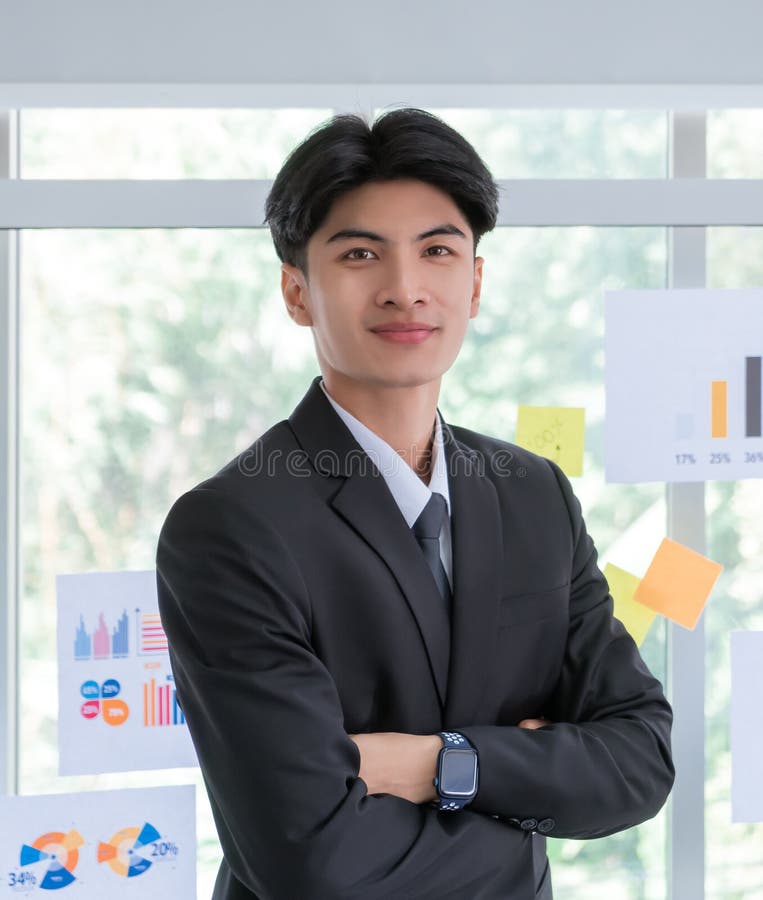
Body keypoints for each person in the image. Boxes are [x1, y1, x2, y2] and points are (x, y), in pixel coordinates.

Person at [156, 107, 674, 900]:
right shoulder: (231, 526)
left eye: (436, 251)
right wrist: (523, 812)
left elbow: (639, 762)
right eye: (360, 254)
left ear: (474, 283)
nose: (404, 289)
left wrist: (435, 764)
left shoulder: (531, 493)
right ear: (296, 291)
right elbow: (312, 862)